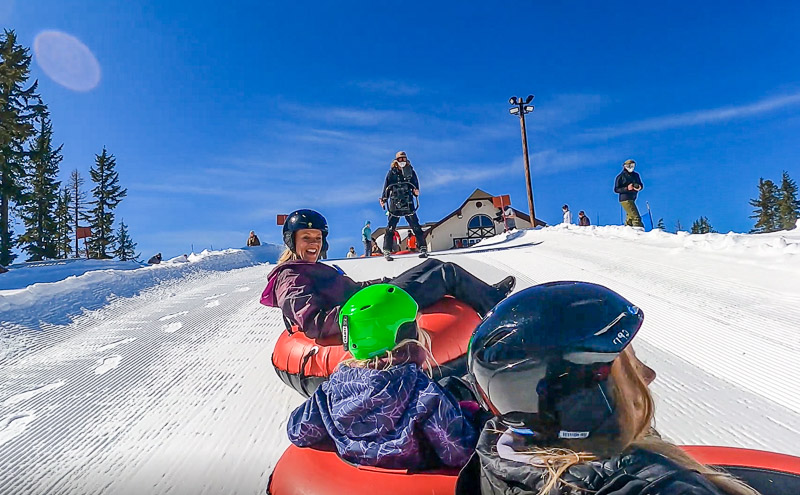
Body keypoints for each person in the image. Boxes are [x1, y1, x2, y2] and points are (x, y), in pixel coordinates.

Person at [456, 282, 758, 495]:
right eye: (628, 368)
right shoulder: (657, 487)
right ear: (587, 399)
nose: (648, 375)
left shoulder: (495, 465)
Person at [287, 284, 477, 469]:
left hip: (358, 476)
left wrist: (337, 432)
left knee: (449, 385)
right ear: (405, 332)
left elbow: (297, 430)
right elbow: (458, 452)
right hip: (413, 478)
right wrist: (473, 417)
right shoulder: (423, 393)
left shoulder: (331, 390)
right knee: (455, 389)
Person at [260, 209, 515, 343]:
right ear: (292, 242)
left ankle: (490, 300)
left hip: (368, 302)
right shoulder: (291, 278)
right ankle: (499, 315)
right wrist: (356, 316)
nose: (313, 244)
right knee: (444, 275)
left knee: (434, 264)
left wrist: (383, 283)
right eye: (306, 239)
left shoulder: (312, 268)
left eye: (317, 238)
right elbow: (313, 321)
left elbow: (350, 290)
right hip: (366, 316)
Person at [380, 151, 427, 257]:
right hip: (395, 200)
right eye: (400, 159)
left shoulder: (410, 171)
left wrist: (416, 191)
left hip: (407, 200)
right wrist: (384, 198)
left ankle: (422, 247)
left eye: (403, 159)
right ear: (396, 161)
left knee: (415, 224)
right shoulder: (392, 173)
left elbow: (415, 183)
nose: (402, 161)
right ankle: (387, 249)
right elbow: (387, 186)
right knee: (391, 226)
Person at [615, 159, 644, 228]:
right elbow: (616, 189)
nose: (631, 167)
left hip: (633, 198)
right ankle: (639, 231)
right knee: (636, 217)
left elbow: (640, 184)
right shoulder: (621, 176)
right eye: (629, 165)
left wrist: (639, 187)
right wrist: (627, 188)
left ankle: (628, 230)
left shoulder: (636, 175)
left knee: (630, 218)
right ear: (625, 166)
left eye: (633, 165)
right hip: (625, 199)